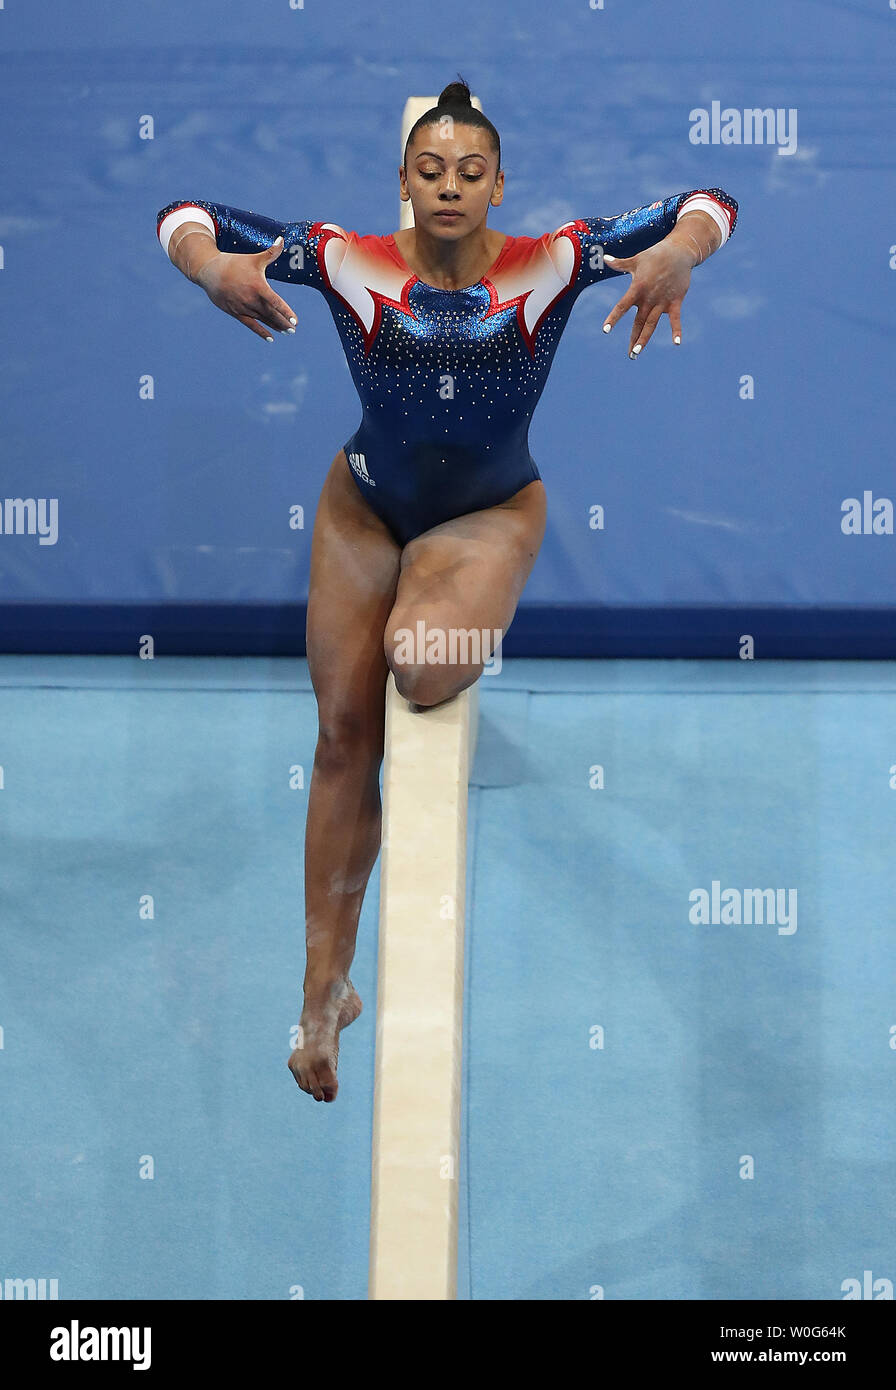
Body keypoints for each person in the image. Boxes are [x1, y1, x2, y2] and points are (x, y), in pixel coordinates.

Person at [157, 76, 738, 1103]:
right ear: (403, 182)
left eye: (470, 171)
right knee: (341, 737)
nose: (449, 186)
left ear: (498, 185)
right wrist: (208, 268)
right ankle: (320, 993)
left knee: (418, 667)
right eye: (429, 170)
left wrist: (677, 251)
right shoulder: (346, 259)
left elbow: (709, 200)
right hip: (361, 502)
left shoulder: (552, 262)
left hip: (487, 511)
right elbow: (183, 215)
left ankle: (431, 589)